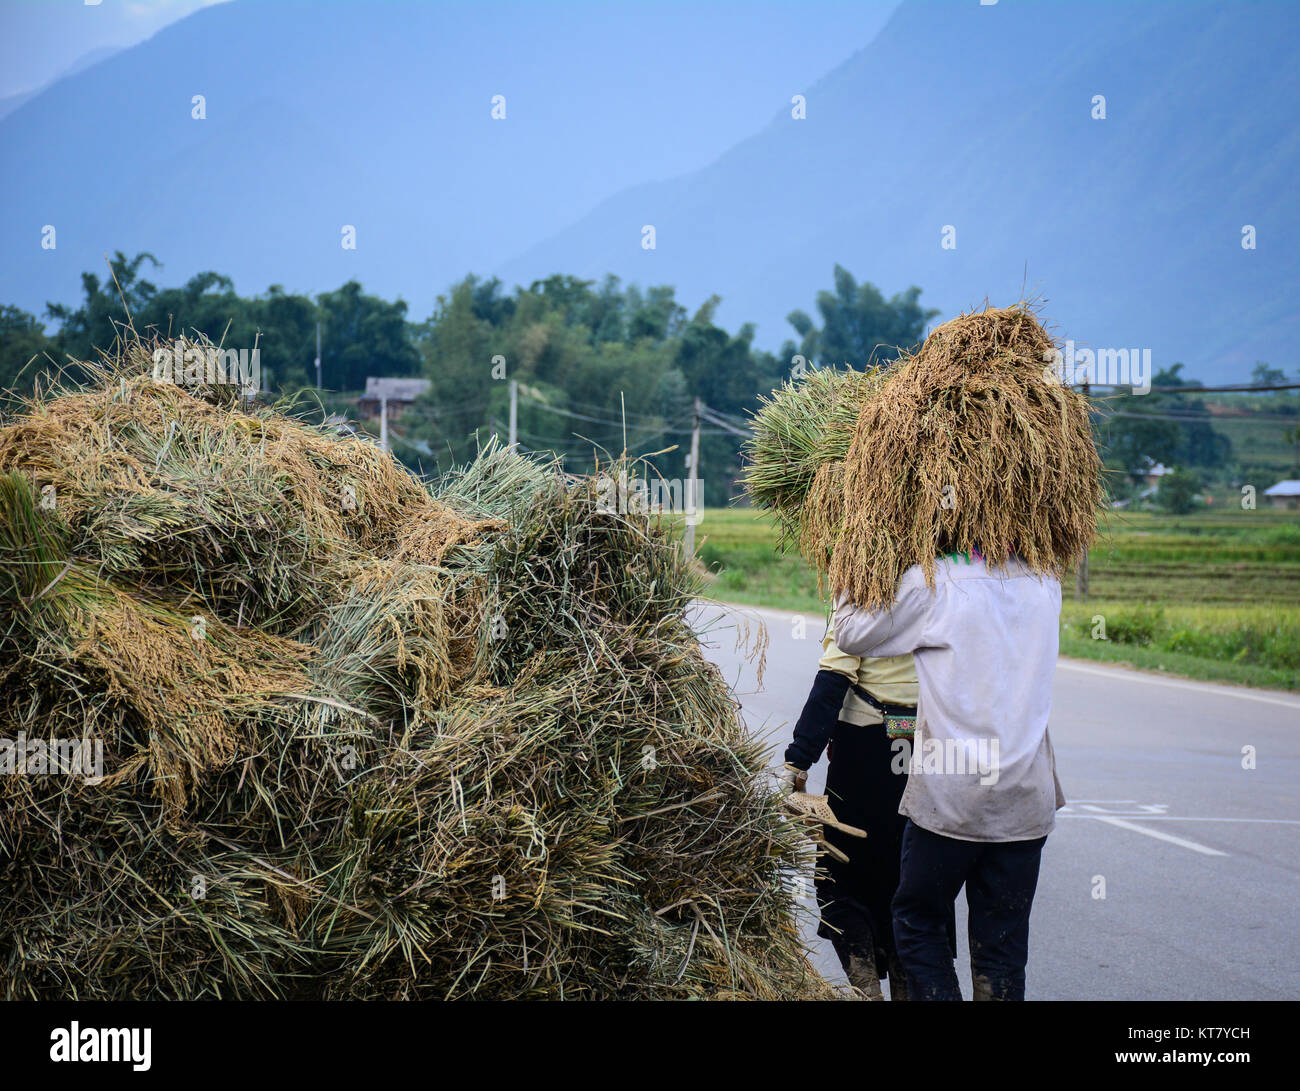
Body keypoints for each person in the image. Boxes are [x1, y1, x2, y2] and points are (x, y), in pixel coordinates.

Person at [832, 547, 1066, 1002]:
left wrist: (854, 561)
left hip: (952, 798)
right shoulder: (1046, 580)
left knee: (918, 921)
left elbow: (852, 635)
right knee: (1003, 948)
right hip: (1025, 798)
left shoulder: (932, 582)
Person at [780, 627, 955, 1000]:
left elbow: (832, 680)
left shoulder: (861, 593)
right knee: (913, 876)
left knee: (839, 879)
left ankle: (865, 986)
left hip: (864, 754)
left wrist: (798, 760)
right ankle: (906, 979)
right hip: (929, 750)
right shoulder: (946, 590)